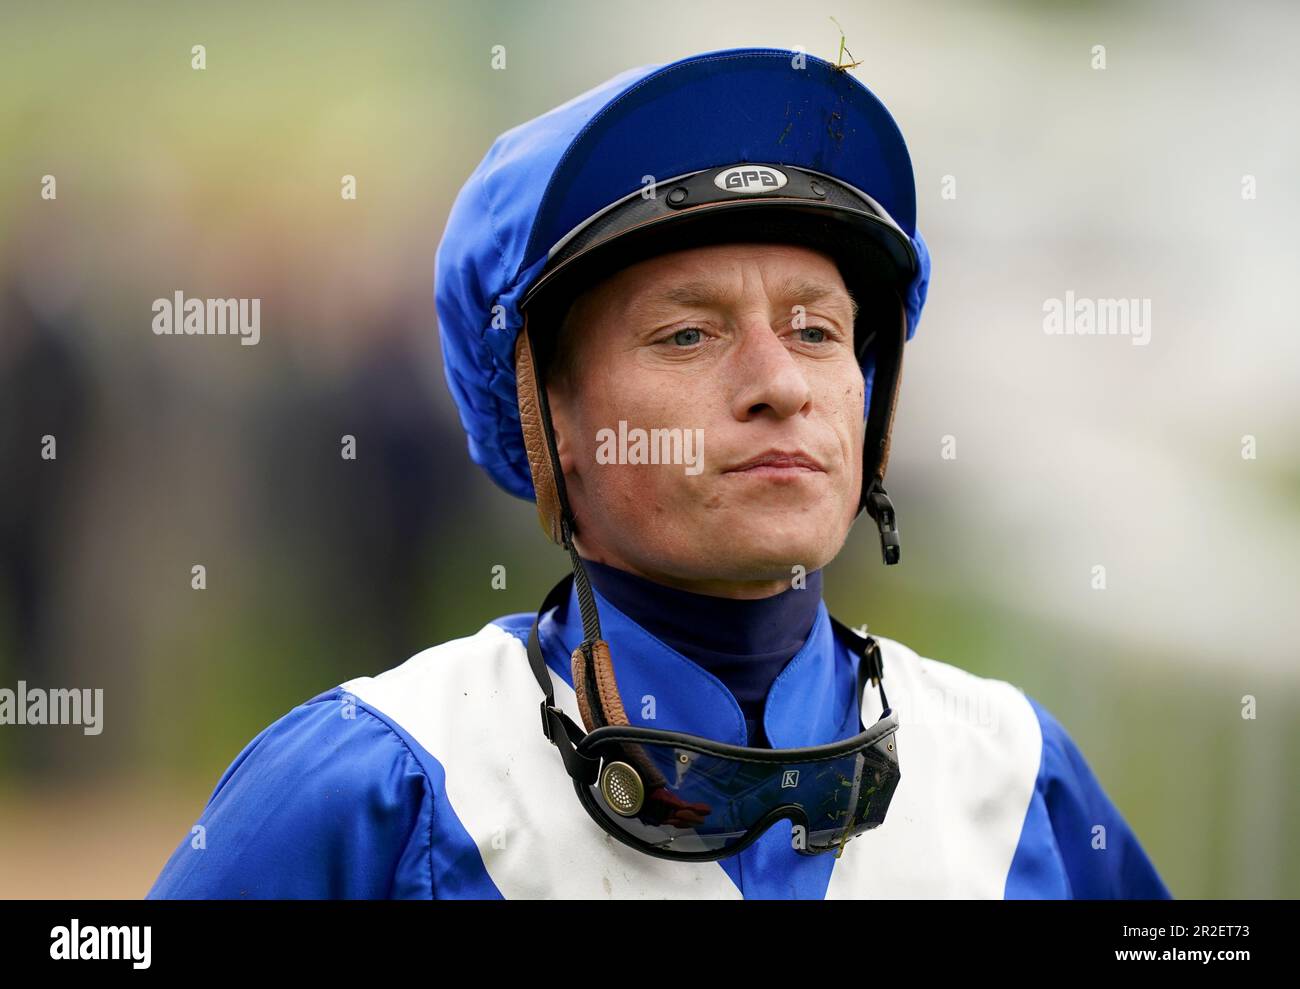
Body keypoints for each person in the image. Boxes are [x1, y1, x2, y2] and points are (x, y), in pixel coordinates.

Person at [148, 46, 1171, 899]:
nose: (779, 383)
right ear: (549, 415)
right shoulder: (382, 782)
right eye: (687, 333)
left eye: (816, 330)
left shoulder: (1022, 776)